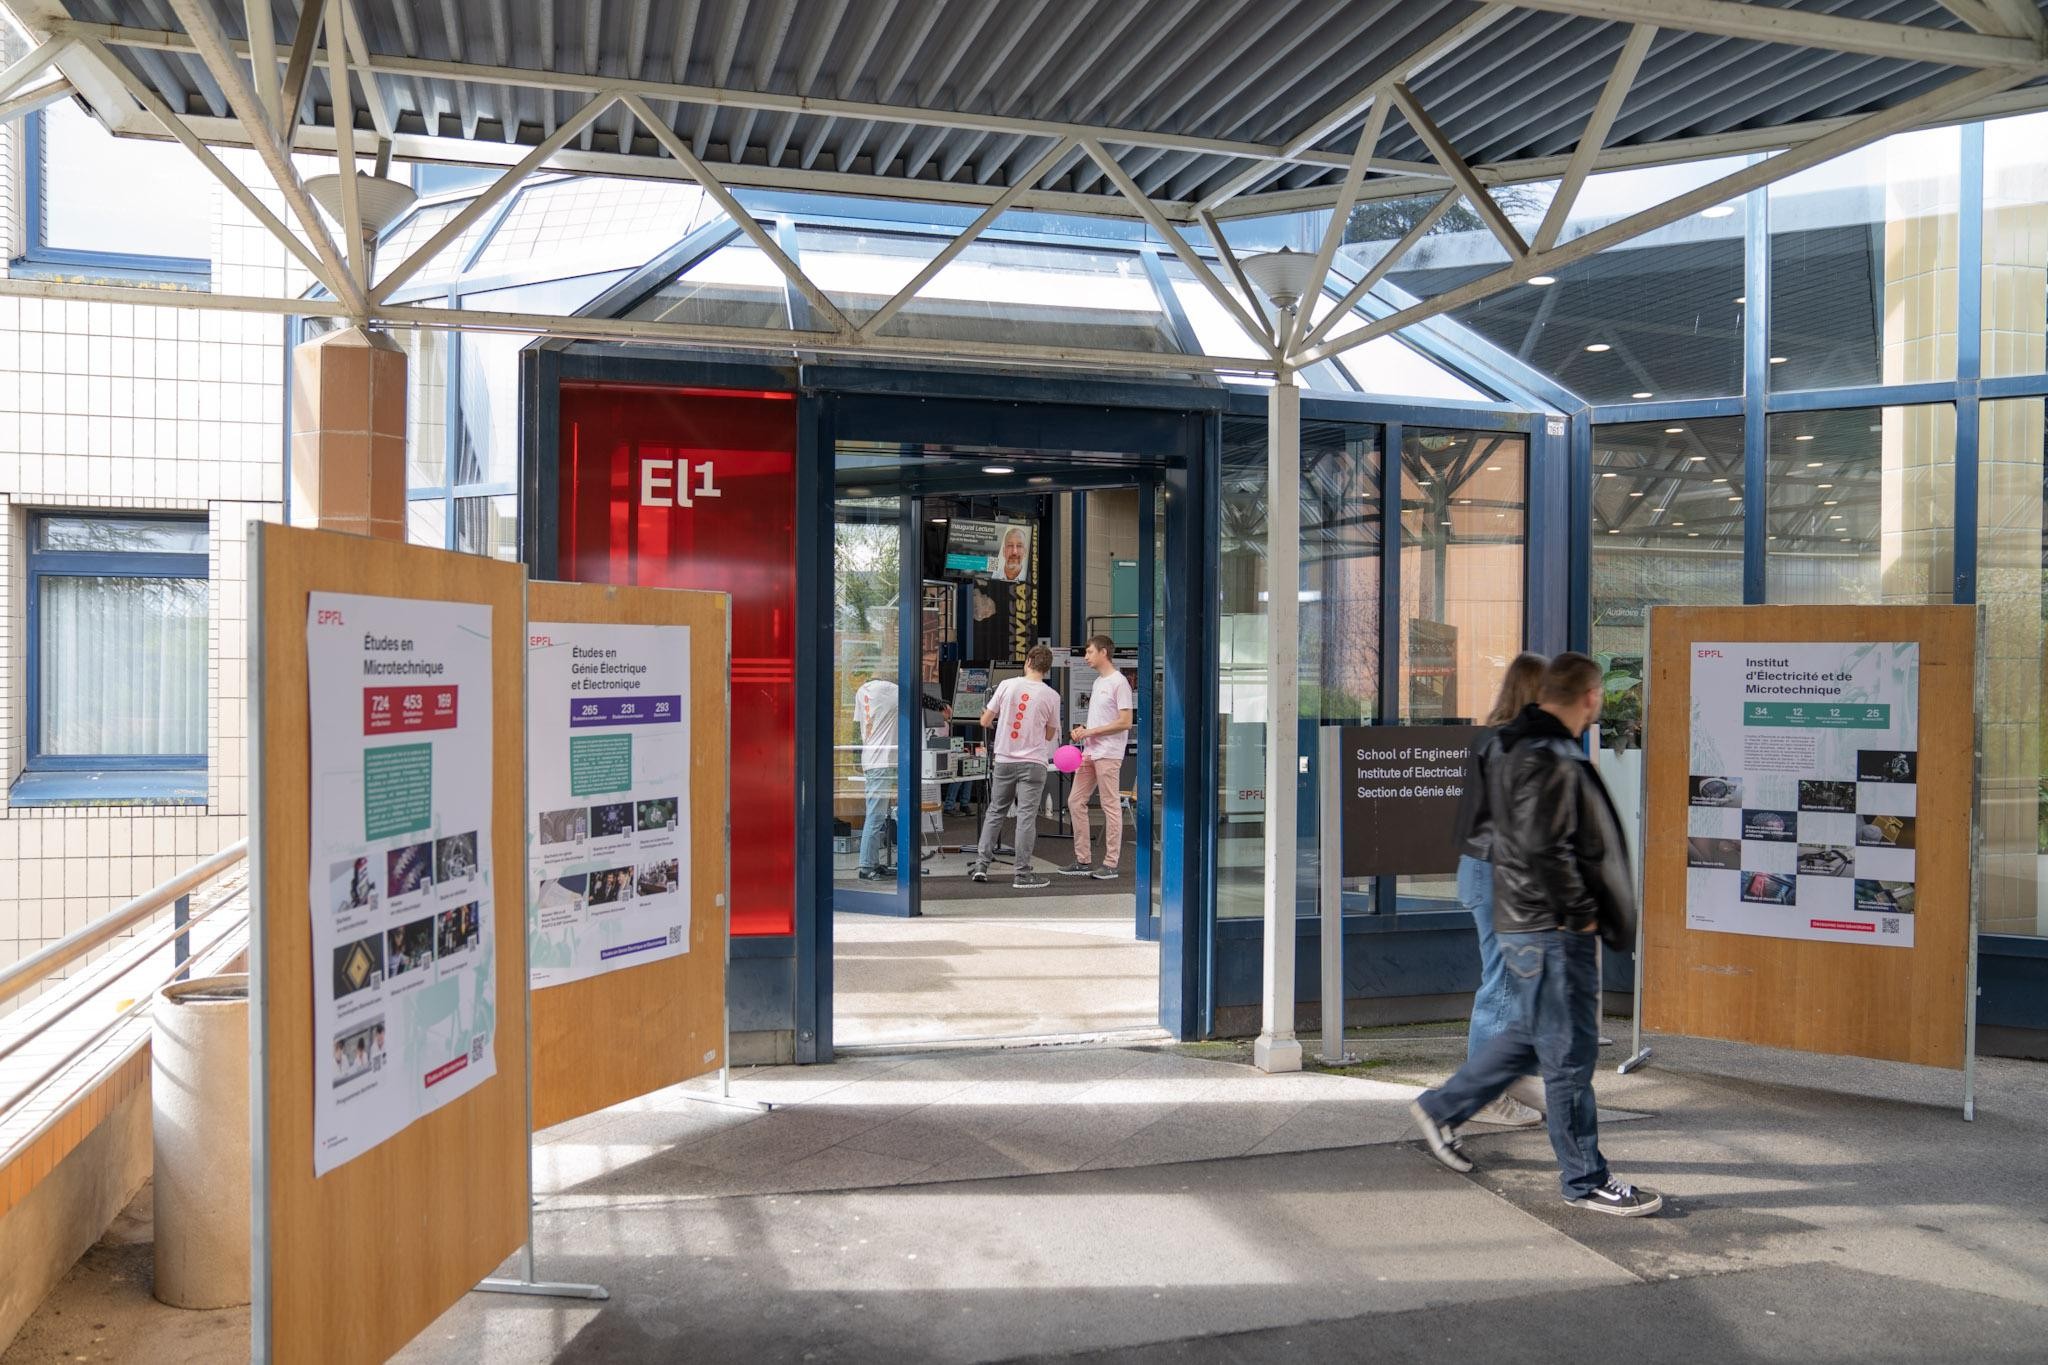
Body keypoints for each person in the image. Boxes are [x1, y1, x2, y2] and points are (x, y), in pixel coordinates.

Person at [1410, 652, 1661, 1217]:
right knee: (1569, 1056)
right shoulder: (1544, 754)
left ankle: (1443, 1106)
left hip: (1530, 918)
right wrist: (1581, 914)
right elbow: (1542, 848)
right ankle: (1584, 1179)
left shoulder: (1516, 744)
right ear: (1591, 697)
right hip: (1549, 924)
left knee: (1531, 1031)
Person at [1452, 652, 1550, 1129]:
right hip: (1499, 874)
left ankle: (1506, 1080)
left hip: (1481, 869)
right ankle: (1485, 1096)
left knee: (1514, 980)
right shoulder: (1517, 746)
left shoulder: (1493, 738)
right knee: (1504, 983)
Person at [969, 644, 1061, 889]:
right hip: (1034, 763)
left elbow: (985, 721)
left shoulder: (1007, 685)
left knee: (996, 811)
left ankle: (981, 865)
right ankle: (1022, 874)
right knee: (1026, 818)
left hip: (1005, 760)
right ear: (1047, 668)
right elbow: (1051, 734)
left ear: (1028, 661)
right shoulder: (1052, 696)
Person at [853, 659, 949, 882]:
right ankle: (866, 866)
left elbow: (859, 727)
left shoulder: (863, 691)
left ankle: (874, 863)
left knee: (878, 814)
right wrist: (942, 706)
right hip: (883, 761)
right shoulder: (888, 690)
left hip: (872, 759)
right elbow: (918, 697)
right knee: (876, 816)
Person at [1061, 635, 1134, 880]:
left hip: (1108, 753)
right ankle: (1083, 860)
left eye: (1089, 652)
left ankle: (1111, 863)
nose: (1086, 656)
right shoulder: (1098, 682)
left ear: (1103, 652)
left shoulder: (1119, 682)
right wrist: (1083, 729)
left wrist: (1090, 731)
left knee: (1109, 806)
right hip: (1090, 751)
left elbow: (1125, 722)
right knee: (1075, 801)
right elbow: (1103, 719)